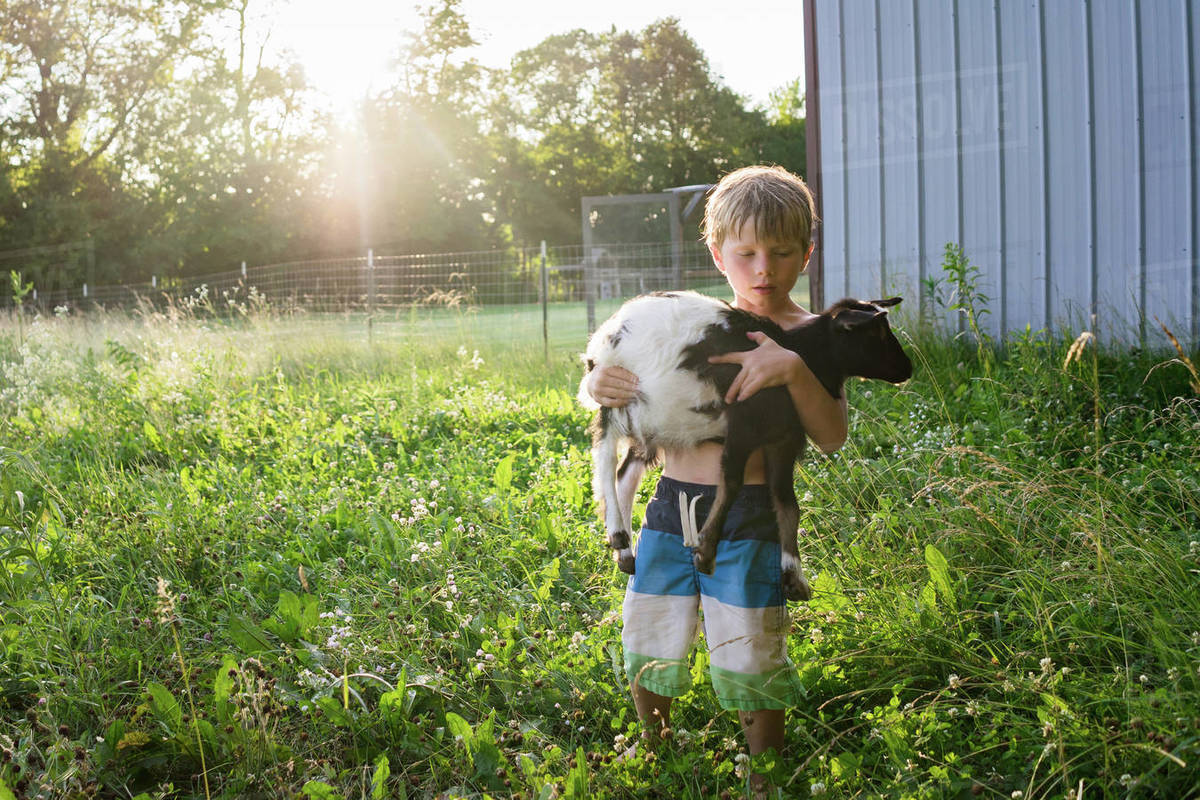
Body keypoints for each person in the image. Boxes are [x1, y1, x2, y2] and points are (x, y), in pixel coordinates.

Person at [582, 165, 848, 797]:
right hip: (670, 506)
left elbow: (832, 433)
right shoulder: (691, 325)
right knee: (652, 627)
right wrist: (596, 380)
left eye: (782, 253)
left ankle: (765, 777)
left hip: (749, 515)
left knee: (751, 641)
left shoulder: (815, 335)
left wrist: (791, 370)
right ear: (717, 254)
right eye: (747, 253)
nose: (764, 270)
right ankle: (655, 750)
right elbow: (621, 382)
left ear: (806, 253)